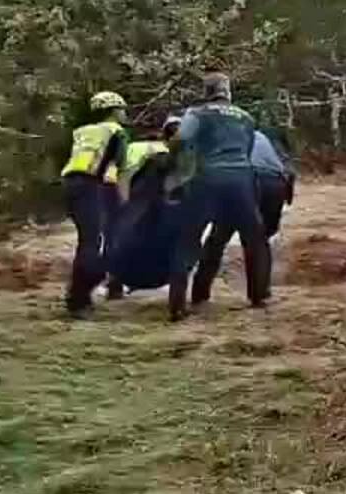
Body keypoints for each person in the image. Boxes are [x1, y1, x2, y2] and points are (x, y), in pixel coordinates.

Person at [172, 72, 270, 320]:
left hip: (208, 178)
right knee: (255, 238)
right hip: (241, 180)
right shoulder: (246, 118)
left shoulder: (197, 114)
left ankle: (179, 304)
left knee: (189, 237)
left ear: (206, 91)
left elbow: (182, 140)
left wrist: (176, 161)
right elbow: (248, 150)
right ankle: (258, 297)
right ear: (228, 91)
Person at [193, 124, 297, 300]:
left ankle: (200, 293)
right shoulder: (261, 136)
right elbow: (286, 168)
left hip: (244, 181)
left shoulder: (220, 138)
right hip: (274, 183)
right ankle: (260, 294)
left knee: (218, 237)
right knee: (259, 240)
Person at [62, 90, 128, 317]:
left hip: (70, 183)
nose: (124, 114)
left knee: (87, 240)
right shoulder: (116, 131)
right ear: (113, 111)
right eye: (122, 109)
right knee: (93, 243)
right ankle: (79, 300)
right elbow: (116, 169)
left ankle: (78, 296)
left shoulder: (82, 131)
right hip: (91, 184)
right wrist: (121, 200)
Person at [104, 116, 179, 301]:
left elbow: (123, 174)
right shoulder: (176, 151)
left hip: (135, 194)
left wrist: (123, 203)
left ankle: (115, 285)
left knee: (117, 235)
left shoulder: (133, 147)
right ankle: (175, 285)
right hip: (160, 197)